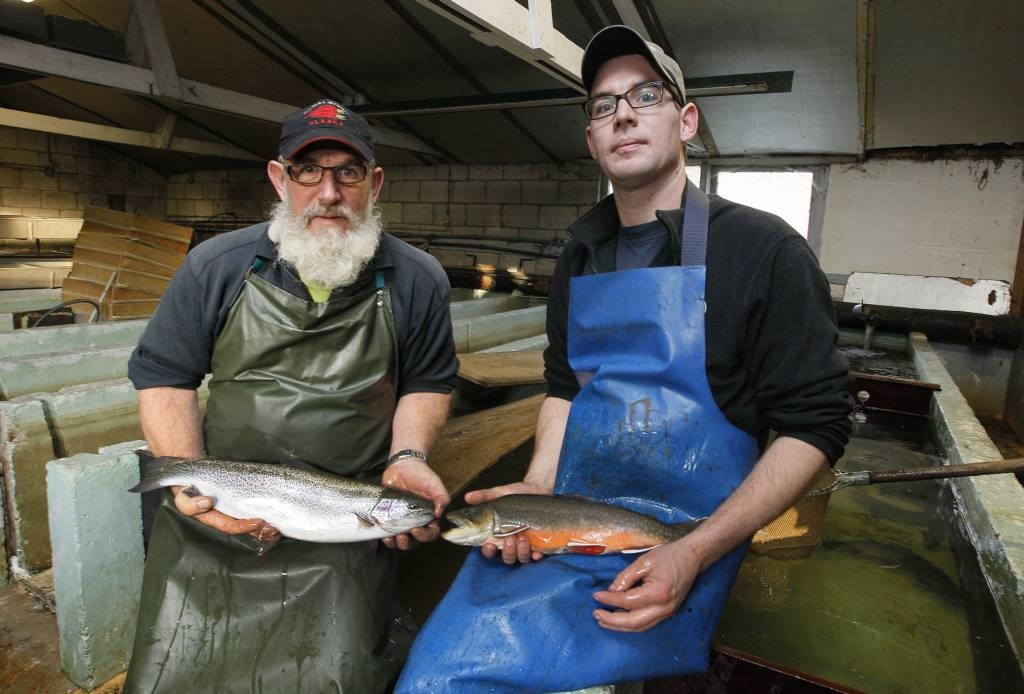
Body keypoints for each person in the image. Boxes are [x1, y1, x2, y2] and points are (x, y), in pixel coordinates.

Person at [397, 25, 852, 692]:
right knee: (436, 674)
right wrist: (542, 487)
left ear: (686, 120)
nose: (625, 113)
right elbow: (562, 386)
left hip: (698, 539)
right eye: (604, 105)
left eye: (646, 94)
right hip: (578, 519)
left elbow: (815, 424)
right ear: (592, 139)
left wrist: (693, 551)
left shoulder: (764, 252)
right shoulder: (579, 256)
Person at [123, 99, 458, 693]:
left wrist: (408, 457)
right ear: (280, 178)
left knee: (341, 672)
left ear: (373, 184)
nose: (328, 193)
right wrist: (191, 482)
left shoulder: (417, 278)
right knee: (183, 670)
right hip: (217, 524)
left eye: (347, 172)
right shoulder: (216, 267)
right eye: (309, 171)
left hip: (343, 527)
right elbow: (164, 376)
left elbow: (427, 384)